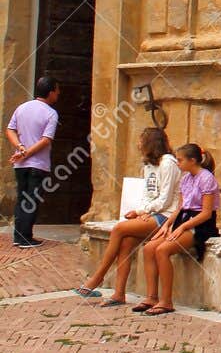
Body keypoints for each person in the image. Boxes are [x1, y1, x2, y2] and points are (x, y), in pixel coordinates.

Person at [73, 128, 180, 307]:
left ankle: (98, 277)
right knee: (126, 242)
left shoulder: (168, 163)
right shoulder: (148, 165)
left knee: (119, 229)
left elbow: (166, 198)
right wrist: (142, 210)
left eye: (141, 140)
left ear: (150, 143)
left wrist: (141, 212)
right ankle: (119, 293)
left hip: (167, 216)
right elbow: (148, 194)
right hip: (152, 212)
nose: (138, 144)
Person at [136, 143, 220, 317]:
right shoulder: (185, 179)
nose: (178, 163)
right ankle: (151, 296)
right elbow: (180, 208)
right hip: (183, 220)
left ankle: (166, 301)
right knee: (149, 248)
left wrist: (183, 227)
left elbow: (205, 213)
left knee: (162, 250)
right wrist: (167, 225)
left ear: (193, 160)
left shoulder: (207, 178)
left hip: (200, 224)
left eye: (180, 160)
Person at [6, 76, 60, 248]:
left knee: (22, 198)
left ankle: (18, 235)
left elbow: (10, 130)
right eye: (57, 90)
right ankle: (25, 238)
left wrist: (20, 148)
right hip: (38, 164)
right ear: (51, 92)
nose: (58, 94)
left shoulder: (22, 108)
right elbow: (46, 140)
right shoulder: (51, 113)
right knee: (31, 201)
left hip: (20, 164)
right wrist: (26, 153)